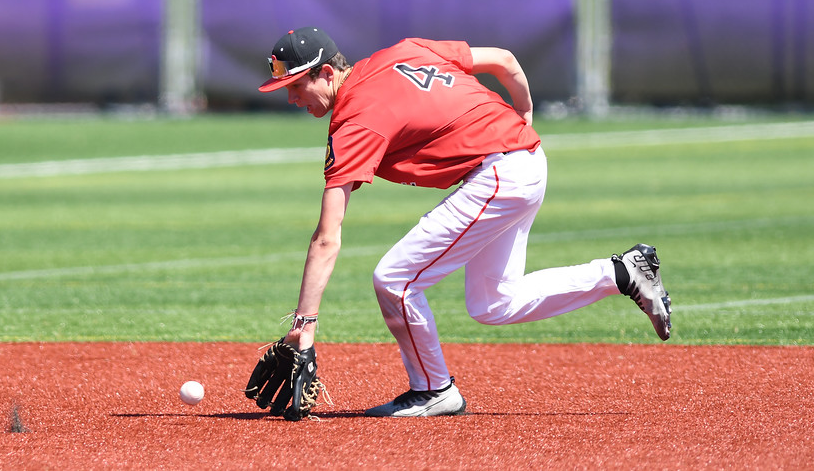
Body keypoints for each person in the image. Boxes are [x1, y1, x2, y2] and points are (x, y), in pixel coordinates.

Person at [258, 26, 671, 418]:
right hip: (526, 160)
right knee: (494, 302)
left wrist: (304, 326)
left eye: (296, 86)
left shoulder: (354, 120)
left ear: (327, 72)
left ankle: (434, 390)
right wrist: (524, 110)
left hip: (500, 175)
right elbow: (505, 60)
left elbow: (327, 237)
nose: (292, 98)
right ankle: (620, 273)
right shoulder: (405, 51)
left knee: (395, 279)